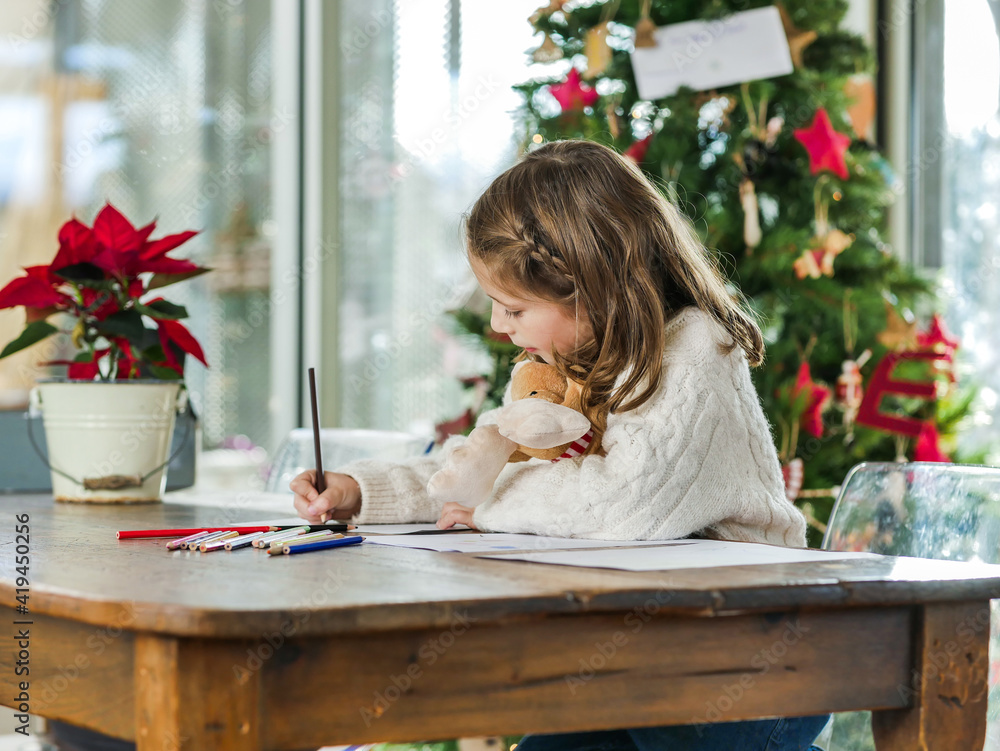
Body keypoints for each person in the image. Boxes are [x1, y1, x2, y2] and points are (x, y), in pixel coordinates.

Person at [291, 140, 829, 750]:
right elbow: (481, 465)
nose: (498, 326)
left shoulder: (696, 349)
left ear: (594, 290)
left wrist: (486, 509)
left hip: (751, 653)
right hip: (634, 652)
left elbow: (626, 505)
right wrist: (362, 492)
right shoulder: (560, 367)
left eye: (514, 308)